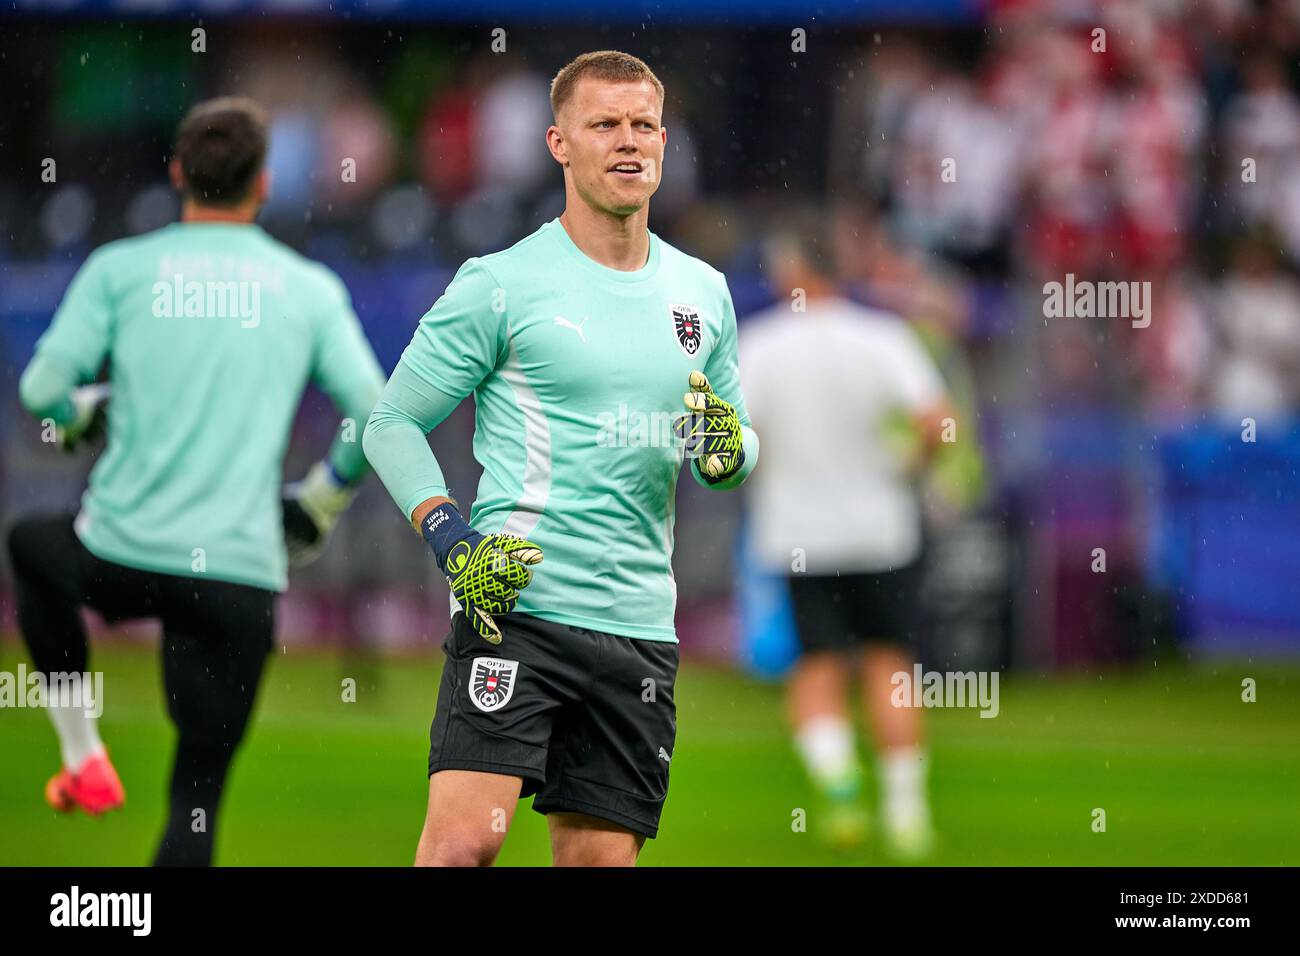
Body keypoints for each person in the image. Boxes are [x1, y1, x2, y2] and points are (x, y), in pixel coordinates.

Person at [363, 50, 759, 867]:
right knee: (464, 845)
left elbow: (731, 444)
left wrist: (729, 450)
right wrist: (450, 538)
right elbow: (392, 422)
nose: (628, 141)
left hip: (638, 624)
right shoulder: (501, 283)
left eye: (644, 125)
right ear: (559, 144)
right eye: (604, 124)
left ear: (664, 142)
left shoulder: (703, 292)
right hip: (516, 605)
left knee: (597, 863)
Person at [9, 97, 386, 866]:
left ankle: (81, 753)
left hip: (118, 551)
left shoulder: (120, 270)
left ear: (178, 172)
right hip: (236, 572)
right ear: (264, 183)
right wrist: (320, 499)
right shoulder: (307, 287)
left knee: (31, 547)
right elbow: (376, 415)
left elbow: (42, 389)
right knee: (196, 802)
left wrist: (81, 415)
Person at [739, 210, 952, 856]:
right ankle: (907, 814)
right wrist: (907, 469)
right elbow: (938, 423)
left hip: (797, 532)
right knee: (890, 663)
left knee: (816, 667)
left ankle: (837, 783)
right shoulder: (882, 337)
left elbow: (732, 439)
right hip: (881, 529)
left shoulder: (761, 344)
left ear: (790, 270)